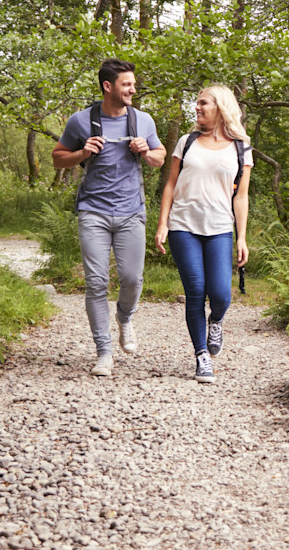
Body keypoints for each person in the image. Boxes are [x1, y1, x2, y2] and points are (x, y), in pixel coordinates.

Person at [52, 58, 166, 377]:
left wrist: (146, 151)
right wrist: (82, 153)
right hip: (93, 212)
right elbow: (58, 159)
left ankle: (125, 317)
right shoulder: (80, 121)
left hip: (131, 212)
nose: (133, 89)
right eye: (127, 84)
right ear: (108, 87)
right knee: (96, 282)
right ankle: (104, 352)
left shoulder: (142, 120)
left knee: (132, 279)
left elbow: (160, 158)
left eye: (133, 83)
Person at [155, 84, 252, 382]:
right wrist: (163, 223)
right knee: (195, 291)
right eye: (197, 103)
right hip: (184, 226)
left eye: (203, 103)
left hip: (220, 228)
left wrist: (242, 237)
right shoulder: (187, 141)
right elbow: (170, 184)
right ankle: (202, 357)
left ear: (220, 107)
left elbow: (241, 196)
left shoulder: (241, 147)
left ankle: (217, 320)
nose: (197, 108)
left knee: (221, 294)